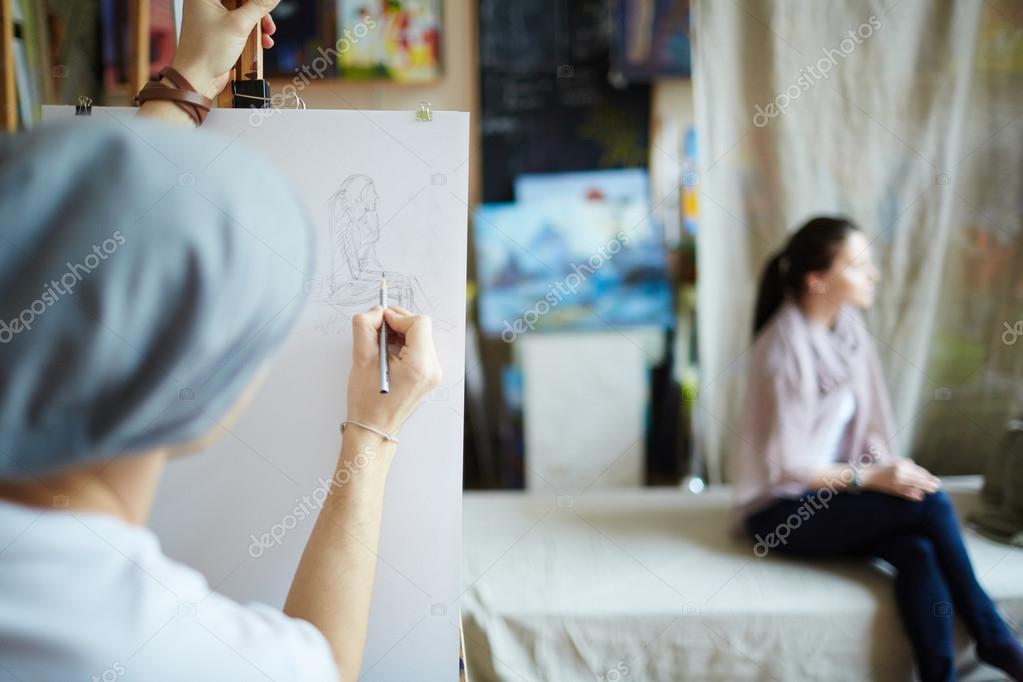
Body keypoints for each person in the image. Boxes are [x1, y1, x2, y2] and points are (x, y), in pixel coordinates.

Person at [0, 1, 441, 680]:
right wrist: (371, 436)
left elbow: (87, 257)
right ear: (203, 383)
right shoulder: (126, 640)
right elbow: (321, 667)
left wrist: (192, 72)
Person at [731, 216, 1023, 681]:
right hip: (779, 512)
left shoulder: (848, 329)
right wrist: (873, 478)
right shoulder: (784, 349)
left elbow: (870, 432)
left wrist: (889, 470)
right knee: (930, 502)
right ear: (818, 279)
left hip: (834, 494)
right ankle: (996, 640)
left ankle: (939, 675)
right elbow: (788, 465)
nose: (874, 274)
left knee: (917, 550)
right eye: (859, 265)